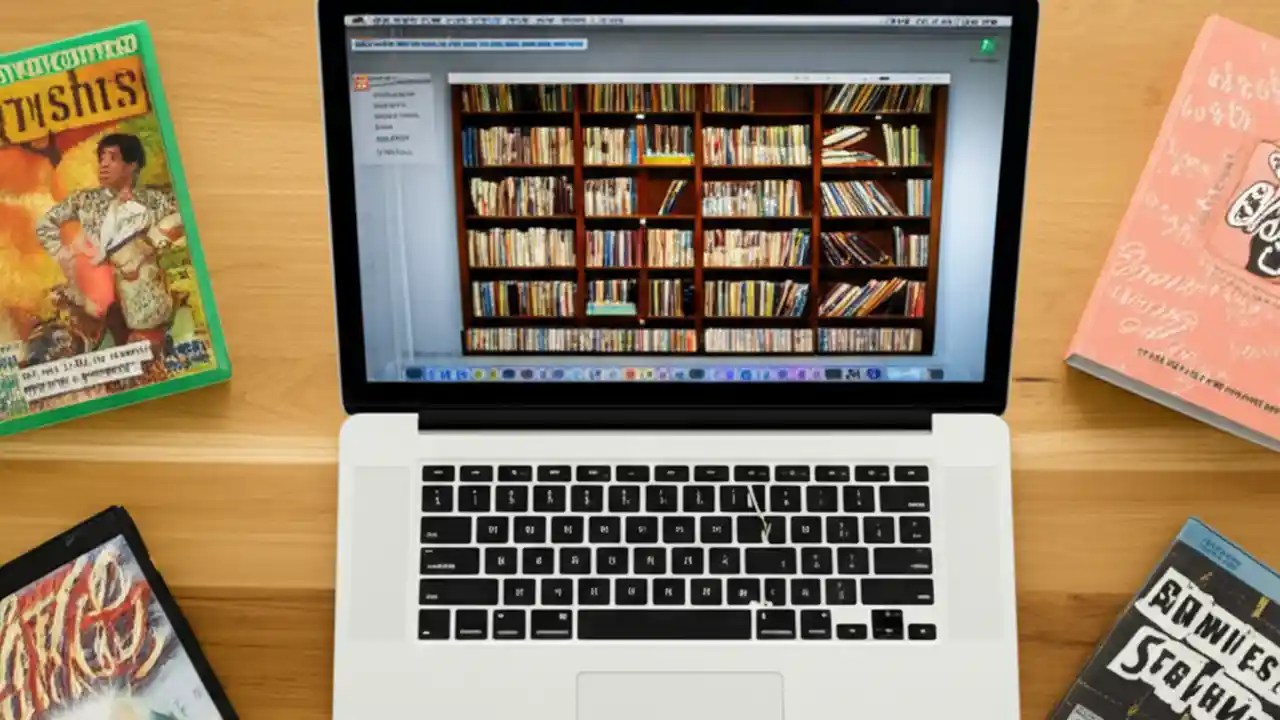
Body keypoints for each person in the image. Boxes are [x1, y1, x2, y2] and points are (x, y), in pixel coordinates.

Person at [35, 133, 185, 359]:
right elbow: (45, 224)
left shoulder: (156, 200)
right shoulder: (85, 200)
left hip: (142, 292)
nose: (103, 163)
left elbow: (185, 216)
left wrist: (149, 243)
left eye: (112, 158)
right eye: (101, 157)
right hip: (95, 293)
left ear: (132, 165)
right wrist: (63, 254)